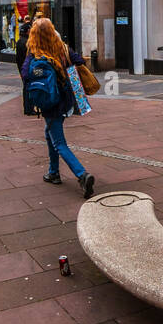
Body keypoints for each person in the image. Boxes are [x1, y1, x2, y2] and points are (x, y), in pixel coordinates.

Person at [22, 18, 95, 198]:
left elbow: (25, 75)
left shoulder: (35, 52)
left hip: (50, 102)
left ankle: (82, 175)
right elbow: (80, 61)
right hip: (66, 100)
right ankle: (53, 172)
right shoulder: (62, 47)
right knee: (50, 133)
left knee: (59, 143)